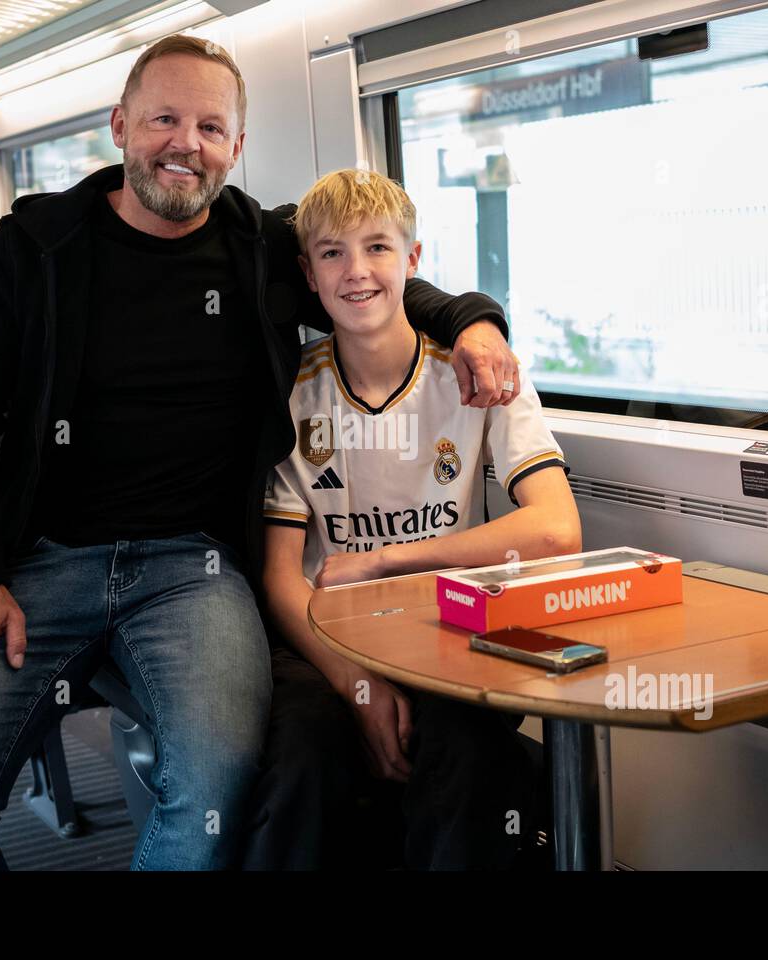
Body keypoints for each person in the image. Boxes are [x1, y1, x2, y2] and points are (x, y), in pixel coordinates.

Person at [0, 34, 521, 871]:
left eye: (211, 128)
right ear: (120, 126)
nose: (187, 143)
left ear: (237, 149)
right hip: (39, 566)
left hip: (197, 573)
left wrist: (474, 323)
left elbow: (373, 274)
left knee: (216, 789)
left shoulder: (260, 251)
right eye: (164, 120)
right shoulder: (34, 249)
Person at [244, 170, 582, 869]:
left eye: (377, 249)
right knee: (300, 758)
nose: (357, 271)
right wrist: (356, 684)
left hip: (446, 627)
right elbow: (281, 578)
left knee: (469, 752)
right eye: (332, 253)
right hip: (328, 637)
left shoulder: (482, 374)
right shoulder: (291, 397)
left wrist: (384, 560)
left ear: (414, 260)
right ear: (307, 273)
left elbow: (556, 531)